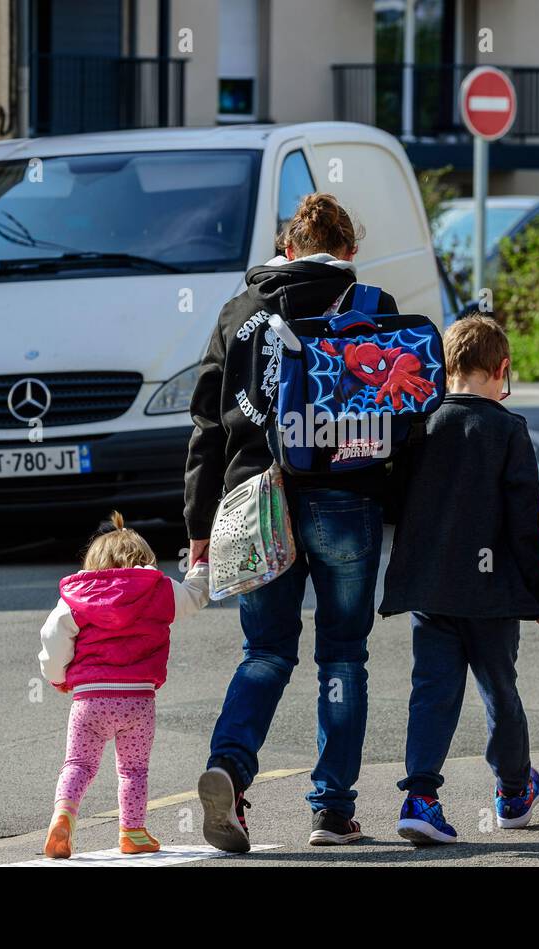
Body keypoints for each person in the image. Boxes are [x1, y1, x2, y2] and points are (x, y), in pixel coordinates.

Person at [184, 193, 399, 851]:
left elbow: (205, 426)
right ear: (349, 252)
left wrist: (197, 532)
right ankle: (332, 812)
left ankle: (228, 768)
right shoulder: (372, 307)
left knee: (267, 652)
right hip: (346, 496)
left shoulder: (238, 311)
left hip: (253, 498)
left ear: (286, 248)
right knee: (342, 655)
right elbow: (401, 410)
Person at [379, 314, 539, 844]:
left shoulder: (417, 424)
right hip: (493, 593)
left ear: (446, 366)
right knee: (499, 689)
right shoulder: (508, 429)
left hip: (430, 588)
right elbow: (525, 525)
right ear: (502, 369)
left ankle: (421, 798)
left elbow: (393, 503)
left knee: (431, 691)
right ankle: (513, 789)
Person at [38, 512, 209, 858]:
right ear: (144, 559)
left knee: (78, 764)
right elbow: (195, 596)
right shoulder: (158, 590)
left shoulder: (77, 596)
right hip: (137, 699)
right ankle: (132, 831)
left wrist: (57, 676)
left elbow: (52, 637)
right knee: (133, 769)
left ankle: (64, 814)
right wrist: (202, 563)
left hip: (89, 699)